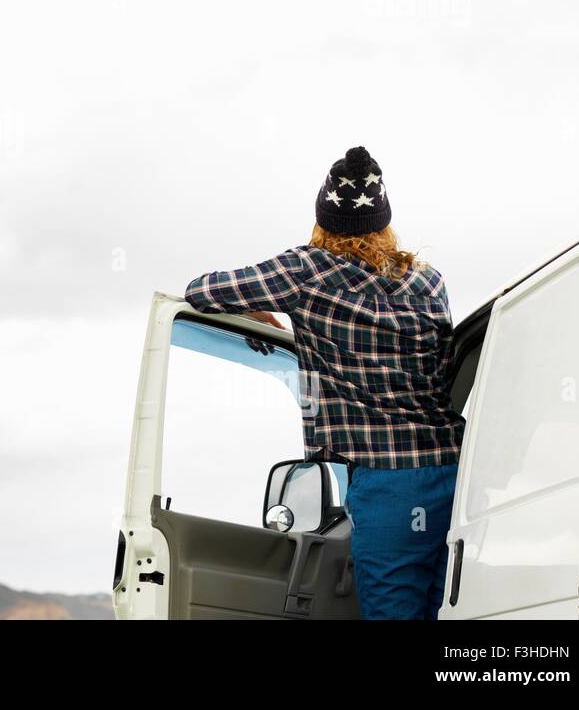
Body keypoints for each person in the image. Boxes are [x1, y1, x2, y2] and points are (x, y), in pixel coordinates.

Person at [182, 145, 464, 620]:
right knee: (455, 611)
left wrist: (259, 309)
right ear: (384, 221)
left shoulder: (305, 273)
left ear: (323, 220)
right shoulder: (428, 282)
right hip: (458, 473)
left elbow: (201, 290)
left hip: (389, 482)